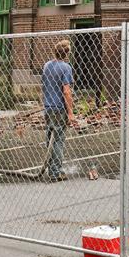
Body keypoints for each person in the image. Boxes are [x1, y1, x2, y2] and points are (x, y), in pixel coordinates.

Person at [41, 39, 76, 181]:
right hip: (59, 108)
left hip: (48, 107)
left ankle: (53, 169)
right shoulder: (66, 68)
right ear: (67, 53)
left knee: (50, 139)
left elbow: (44, 85)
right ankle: (55, 173)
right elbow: (66, 91)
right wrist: (70, 112)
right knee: (58, 141)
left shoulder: (47, 65)